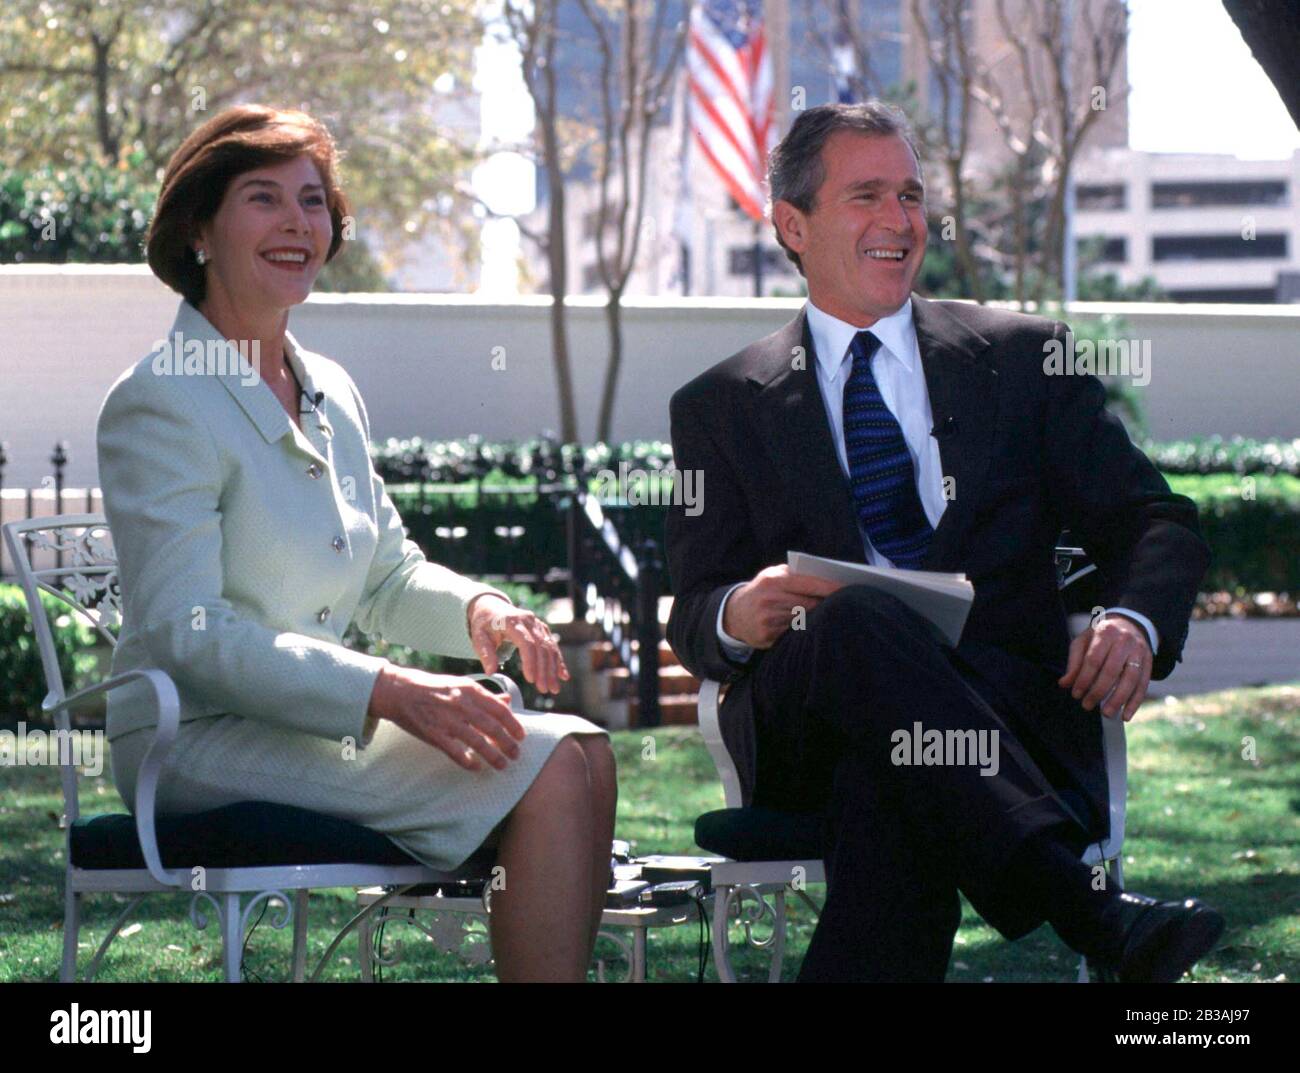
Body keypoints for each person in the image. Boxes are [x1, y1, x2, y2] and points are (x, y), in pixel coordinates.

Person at [665, 101, 1225, 982]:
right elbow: (694, 612)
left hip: (999, 718)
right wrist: (744, 607)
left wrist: (1132, 621)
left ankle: (1089, 910)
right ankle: (1086, 909)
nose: (900, 221)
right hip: (808, 720)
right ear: (792, 224)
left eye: (912, 195)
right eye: (866, 196)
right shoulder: (719, 405)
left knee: (890, 786)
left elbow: (1154, 519)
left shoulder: (1026, 358)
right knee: (853, 622)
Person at [97, 104, 616, 982]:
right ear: (198, 229)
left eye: (313, 202)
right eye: (264, 199)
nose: (299, 224)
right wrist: (390, 689)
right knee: (558, 763)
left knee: (588, 752)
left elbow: (387, 573)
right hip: (194, 738)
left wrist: (482, 609)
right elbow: (190, 633)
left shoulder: (328, 385)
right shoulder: (162, 398)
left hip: (305, 724)